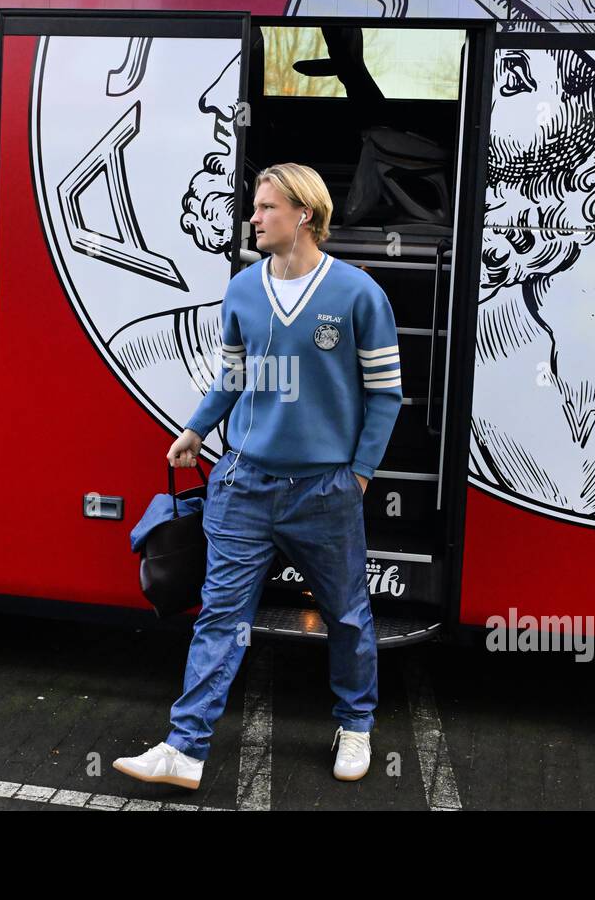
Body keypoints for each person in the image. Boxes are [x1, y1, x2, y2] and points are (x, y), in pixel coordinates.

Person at [113, 163, 403, 789]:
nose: (253, 217)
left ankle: (355, 725)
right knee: (220, 617)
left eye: (266, 207)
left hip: (325, 492)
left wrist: (358, 475)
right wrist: (195, 429)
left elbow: (385, 395)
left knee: (347, 616)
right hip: (244, 485)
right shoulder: (243, 289)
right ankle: (185, 750)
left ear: (304, 215)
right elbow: (233, 378)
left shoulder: (358, 294)